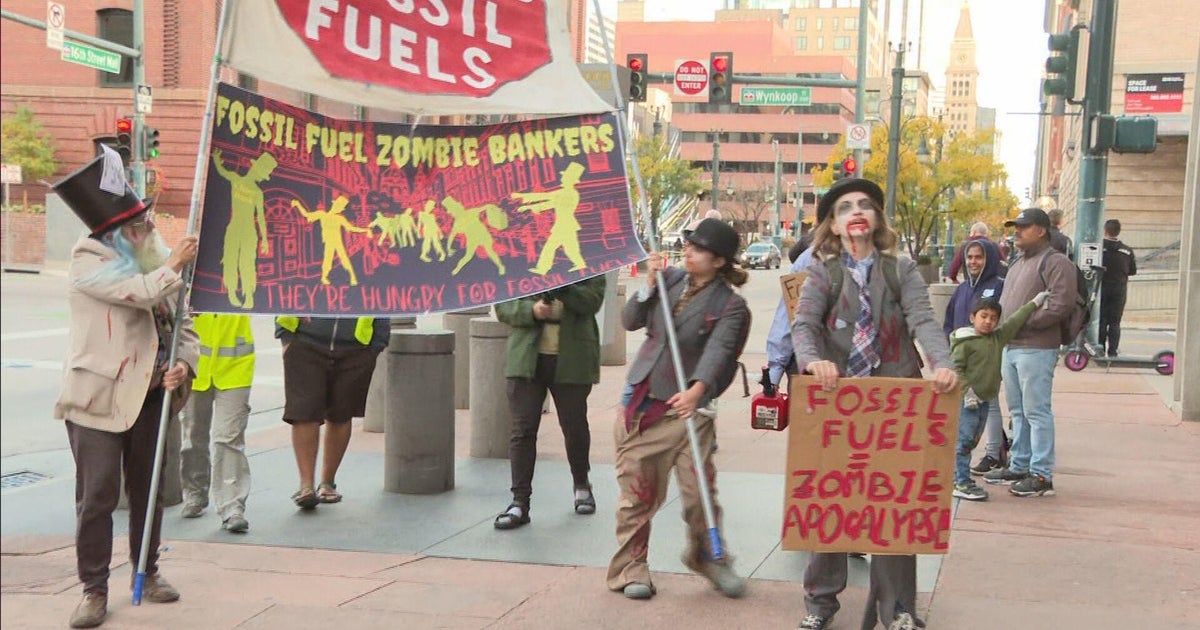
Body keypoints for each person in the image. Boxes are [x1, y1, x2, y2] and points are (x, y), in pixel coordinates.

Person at [791, 178, 957, 630]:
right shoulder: (823, 271)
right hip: (838, 403)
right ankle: (820, 605)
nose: (856, 212)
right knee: (832, 502)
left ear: (877, 219)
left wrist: (941, 365)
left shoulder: (899, 268)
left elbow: (923, 319)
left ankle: (899, 609)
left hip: (893, 404)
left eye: (865, 205)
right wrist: (813, 363)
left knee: (894, 506)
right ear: (834, 224)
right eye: (844, 208)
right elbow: (804, 325)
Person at [51, 152, 200, 628]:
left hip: (153, 395)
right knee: (97, 496)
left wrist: (181, 363)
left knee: (148, 489)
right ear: (114, 232)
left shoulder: (155, 259)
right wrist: (174, 261)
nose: (149, 227)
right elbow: (138, 293)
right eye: (138, 223)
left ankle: (147, 570)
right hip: (98, 398)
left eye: (147, 218)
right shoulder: (87, 259)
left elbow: (184, 323)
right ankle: (93, 590)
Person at [607, 219, 751, 601]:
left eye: (699, 248)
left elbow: (721, 353)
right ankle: (631, 567)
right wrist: (649, 286)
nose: (688, 251)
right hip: (644, 402)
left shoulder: (731, 306)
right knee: (638, 492)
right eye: (688, 244)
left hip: (690, 411)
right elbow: (631, 320)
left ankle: (711, 557)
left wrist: (698, 390)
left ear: (719, 260)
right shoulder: (668, 279)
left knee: (699, 492)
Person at [492, 276, 606, 529]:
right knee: (522, 430)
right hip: (526, 358)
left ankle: (581, 484)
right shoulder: (520, 255)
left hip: (572, 358)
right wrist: (531, 310)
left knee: (574, 424)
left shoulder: (587, 256)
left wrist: (565, 289)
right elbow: (503, 305)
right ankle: (519, 502)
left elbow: (593, 300)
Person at [984, 208, 1076, 497]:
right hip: (1011, 348)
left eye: (1024, 226)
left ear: (1041, 230)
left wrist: (1022, 323)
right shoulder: (1017, 263)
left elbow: (1061, 304)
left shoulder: (1056, 261)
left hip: (1036, 348)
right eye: (1015, 227)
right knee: (1018, 412)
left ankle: (1041, 474)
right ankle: (1020, 464)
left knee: (1036, 411)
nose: (1017, 231)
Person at [276, 316, 388, 507]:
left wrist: (376, 345)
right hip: (305, 342)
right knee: (303, 412)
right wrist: (285, 337)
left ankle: (327, 483)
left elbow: (382, 296)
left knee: (341, 414)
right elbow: (285, 289)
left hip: (356, 348)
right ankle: (306, 486)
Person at [948, 295, 1044, 501]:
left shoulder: (996, 338)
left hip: (984, 400)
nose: (988, 321)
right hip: (968, 402)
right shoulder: (964, 342)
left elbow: (1014, 322)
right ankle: (960, 481)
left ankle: (960, 477)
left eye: (993, 318)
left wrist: (1034, 303)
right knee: (963, 441)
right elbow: (956, 368)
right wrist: (967, 392)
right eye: (984, 316)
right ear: (972, 317)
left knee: (972, 440)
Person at [179, 314, 256, 533]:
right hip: (194, 367)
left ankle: (232, 508)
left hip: (236, 367)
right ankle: (195, 492)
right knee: (194, 435)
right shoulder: (190, 279)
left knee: (228, 438)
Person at [942, 239, 1008, 476]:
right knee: (965, 409)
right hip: (963, 360)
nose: (973, 262)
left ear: (989, 259)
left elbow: (1004, 321)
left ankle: (994, 452)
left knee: (990, 404)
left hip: (985, 360)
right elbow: (949, 320)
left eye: (978, 257)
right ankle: (965, 454)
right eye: (969, 257)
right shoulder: (962, 289)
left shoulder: (999, 285)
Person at [1099, 219, 1137, 356]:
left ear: (1105, 231)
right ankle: (1113, 351)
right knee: (1115, 321)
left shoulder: (1098, 248)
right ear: (1119, 231)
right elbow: (1132, 270)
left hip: (1102, 287)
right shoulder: (1127, 250)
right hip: (1120, 288)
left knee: (1101, 319)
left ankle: (1100, 348)